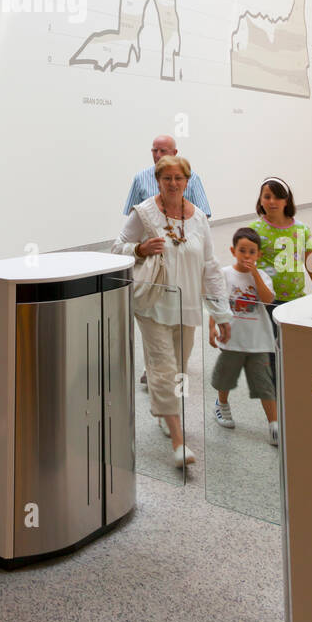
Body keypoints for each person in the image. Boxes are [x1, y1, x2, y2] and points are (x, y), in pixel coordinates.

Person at [113, 155, 231, 467]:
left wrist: (221, 315)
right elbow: (116, 248)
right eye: (167, 179)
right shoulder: (145, 213)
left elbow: (210, 266)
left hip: (188, 305)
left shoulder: (199, 219)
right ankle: (179, 442)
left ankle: (166, 414)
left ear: (187, 181)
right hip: (153, 304)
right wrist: (138, 249)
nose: (173, 184)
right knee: (163, 368)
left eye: (179, 178)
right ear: (158, 181)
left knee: (177, 368)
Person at [209, 227, 278, 445]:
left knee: (264, 383)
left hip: (258, 340)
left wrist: (255, 274)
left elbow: (267, 300)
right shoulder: (225, 274)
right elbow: (217, 302)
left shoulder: (263, 277)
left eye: (251, 252)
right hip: (232, 338)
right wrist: (213, 326)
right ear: (233, 250)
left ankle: (274, 423)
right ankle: (222, 404)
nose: (246, 256)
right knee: (226, 376)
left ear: (258, 255)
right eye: (242, 251)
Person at [252, 177, 312, 375]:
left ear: (287, 201)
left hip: (295, 301)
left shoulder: (301, 229)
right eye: (267, 197)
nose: (272, 202)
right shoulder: (254, 230)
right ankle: (275, 396)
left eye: (278, 197)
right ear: (260, 201)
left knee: (297, 350)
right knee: (271, 354)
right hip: (268, 302)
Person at [123, 135, 212, 218]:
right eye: (155, 151)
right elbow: (132, 213)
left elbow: (204, 213)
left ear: (174, 152)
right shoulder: (140, 178)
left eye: (163, 151)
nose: (158, 155)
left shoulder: (191, 177)